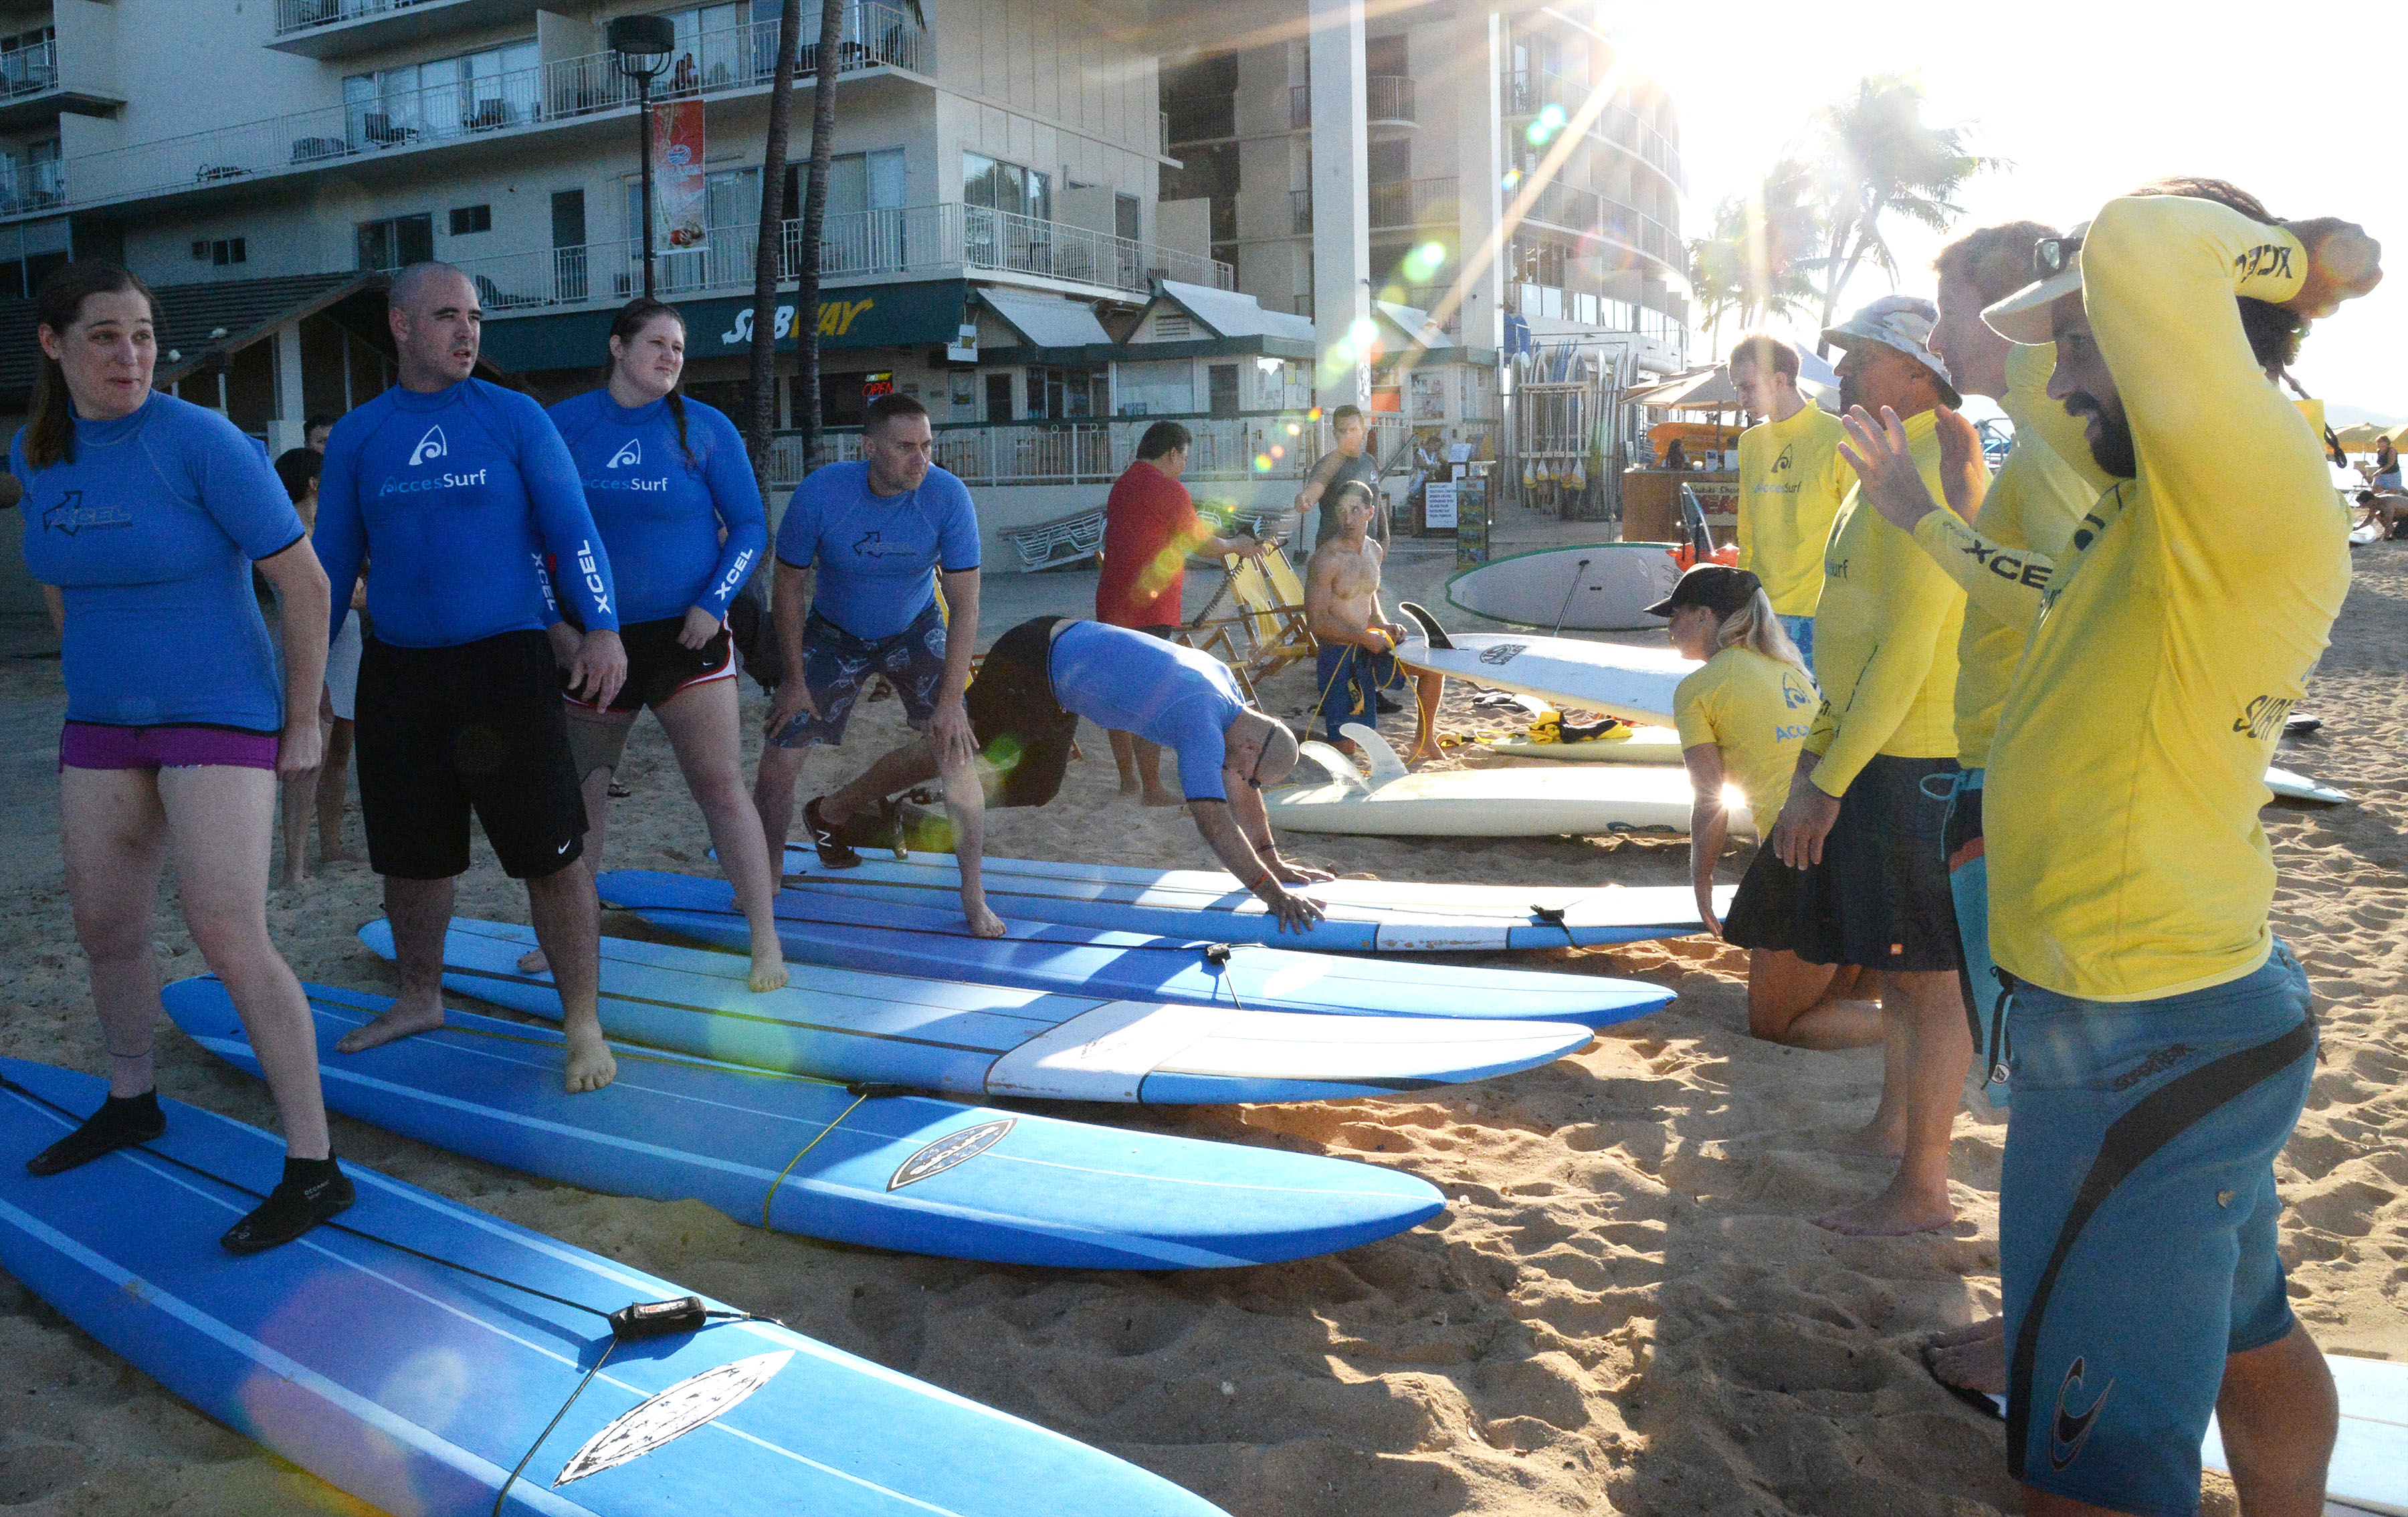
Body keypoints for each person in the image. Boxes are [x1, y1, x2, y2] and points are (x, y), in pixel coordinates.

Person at [1861, 183, 2376, 1515]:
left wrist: (2299, 265)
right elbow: (2039, 591)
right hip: (2180, 1014)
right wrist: (1925, 516)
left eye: (2081, 348)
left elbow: (2155, 240)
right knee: (2247, 1332)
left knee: (2086, 1480)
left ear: (2163, 331)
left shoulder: (2242, 471)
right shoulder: (2159, 510)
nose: (2063, 381)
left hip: (2145, 1038)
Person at [10, 262, 347, 1253]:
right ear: (53, 344)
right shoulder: (39, 453)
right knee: (106, 925)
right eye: (106, 335)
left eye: (144, 335)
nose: (130, 354)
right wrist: (91, 685)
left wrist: (303, 721)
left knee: (229, 934)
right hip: (105, 722)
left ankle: (315, 1166)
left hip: (220, 713)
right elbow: (62, 586)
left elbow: (308, 585)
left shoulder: (202, 442)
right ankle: (132, 1096)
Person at [313, 262, 628, 1094]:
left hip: (505, 664)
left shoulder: (513, 417)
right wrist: (308, 679)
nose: (468, 331)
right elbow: (331, 567)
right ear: (402, 325)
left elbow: (573, 529)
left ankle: (583, 1022)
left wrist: (601, 628)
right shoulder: (359, 436)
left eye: (476, 316)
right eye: (448, 315)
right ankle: (420, 996)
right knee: (412, 855)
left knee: (550, 853)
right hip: (401, 670)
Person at [1735, 294, 1971, 1239]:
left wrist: (1830, 778)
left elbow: (1911, 651)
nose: (1846, 369)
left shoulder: (1937, 466)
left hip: (1916, 759)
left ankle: (1925, 1186)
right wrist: (1817, 759)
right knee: (1897, 967)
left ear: (1918, 371)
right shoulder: (1879, 465)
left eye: (1865, 355)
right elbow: (1850, 637)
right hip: (1874, 749)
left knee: (1929, 980)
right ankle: (1891, 1131)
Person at [531, 298, 785, 993]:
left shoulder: (704, 429)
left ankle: (765, 940)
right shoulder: (564, 426)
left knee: (720, 788)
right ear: (617, 346)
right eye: (657, 343)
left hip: (686, 635)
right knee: (583, 798)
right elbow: (529, 533)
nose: (672, 356)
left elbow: (751, 527)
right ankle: (566, 933)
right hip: (594, 643)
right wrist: (558, 626)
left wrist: (714, 604)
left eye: (679, 347)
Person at [809, 615, 1333, 932]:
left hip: (1060, 674)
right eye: (1253, 772)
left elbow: (1241, 792)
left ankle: (905, 813)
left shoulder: (1230, 698)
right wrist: (1273, 895)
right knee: (945, 751)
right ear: (1248, 744)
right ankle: (832, 812)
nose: (1245, 778)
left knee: (1038, 786)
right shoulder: (1203, 723)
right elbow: (1216, 824)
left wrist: (1273, 862)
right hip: (1033, 659)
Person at [758, 393, 984, 914]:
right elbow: (787, 589)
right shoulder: (822, 494)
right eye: (906, 447)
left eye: (926, 446)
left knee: (958, 752)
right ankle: (767, 877)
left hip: (915, 627)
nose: (920, 459)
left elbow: (966, 604)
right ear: (869, 447)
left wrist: (952, 700)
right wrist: (793, 679)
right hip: (835, 633)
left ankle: (972, 891)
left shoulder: (948, 497)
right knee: (778, 758)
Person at [1660, 565, 1877, 1048]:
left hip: (1807, 846)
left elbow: (1709, 800)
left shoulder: (1697, 688)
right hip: (1867, 841)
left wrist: (1701, 880)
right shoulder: (1794, 672)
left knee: (1776, 1027)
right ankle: (1932, 1028)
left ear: (1705, 615)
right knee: (1830, 1004)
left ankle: (1940, 1030)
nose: (1668, 629)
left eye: (1674, 616)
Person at [1095, 419, 1265, 805]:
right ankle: (1152, 788)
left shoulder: (1122, 485)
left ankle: (1129, 783)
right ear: (1172, 452)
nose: (1184, 465)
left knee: (1117, 697)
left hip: (1113, 602)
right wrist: (1238, 543)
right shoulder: (1169, 488)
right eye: (1184, 457)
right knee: (1148, 699)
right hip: (1149, 606)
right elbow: (1202, 544)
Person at [1730, 331, 1850, 673]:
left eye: (1748, 387)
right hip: (1761, 609)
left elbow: (1859, 529)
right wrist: (1743, 600)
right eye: (1736, 388)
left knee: (1814, 719)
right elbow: (1747, 531)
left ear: (1779, 380)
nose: (1740, 398)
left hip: (1822, 612)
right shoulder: (1750, 443)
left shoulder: (1839, 437)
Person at [1302, 480, 1441, 765]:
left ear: (1370, 512)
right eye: (1342, 511)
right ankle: (1306, 743)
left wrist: (1385, 624)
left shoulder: (1374, 550)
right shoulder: (1326, 559)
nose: (1348, 519)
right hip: (1340, 655)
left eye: (1355, 510)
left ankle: (1424, 739)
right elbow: (1316, 623)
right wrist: (1363, 637)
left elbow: (1369, 598)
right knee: (1346, 752)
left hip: (1373, 644)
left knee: (1435, 668)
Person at [268, 445, 353, 886]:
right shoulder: (293, 534)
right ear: (315, 483)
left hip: (336, 647)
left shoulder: (320, 528)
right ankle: (294, 866)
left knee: (330, 749)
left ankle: (322, 851)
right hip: (308, 650)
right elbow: (335, 595)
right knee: (306, 758)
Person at [1297, 404, 1385, 551]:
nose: (1348, 435)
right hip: (1334, 556)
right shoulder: (1327, 466)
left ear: (1363, 431)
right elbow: (1313, 491)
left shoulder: (1370, 462)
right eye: (1342, 431)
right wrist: (1305, 499)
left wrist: (1385, 541)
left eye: (1353, 430)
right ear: (1335, 433)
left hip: (1366, 555)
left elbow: (1377, 503)